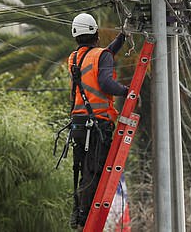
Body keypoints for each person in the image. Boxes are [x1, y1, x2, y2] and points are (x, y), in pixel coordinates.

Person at [67, 12, 130, 231]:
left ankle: (79, 214)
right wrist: (127, 91)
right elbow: (105, 82)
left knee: (83, 171)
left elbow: (103, 56)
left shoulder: (75, 58)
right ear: (96, 33)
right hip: (97, 124)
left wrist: (122, 38)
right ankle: (85, 219)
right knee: (95, 171)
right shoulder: (101, 56)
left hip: (79, 123)